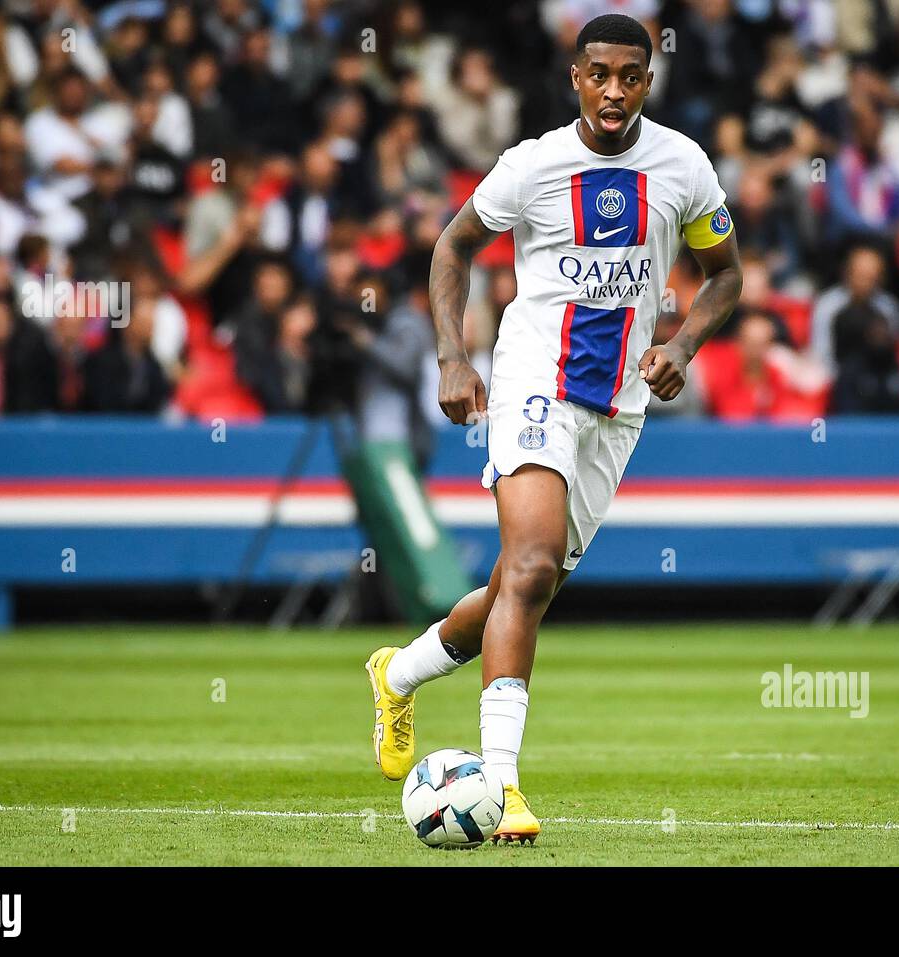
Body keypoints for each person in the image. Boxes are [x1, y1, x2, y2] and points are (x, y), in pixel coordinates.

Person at [364, 15, 743, 843]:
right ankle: (501, 791)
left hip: (618, 406)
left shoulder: (684, 166)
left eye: (630, 77)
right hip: (534, 378)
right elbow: (452, 247)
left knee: (515, 589)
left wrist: (682, 343)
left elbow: (726, 274)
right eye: (599, 74)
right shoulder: (532, 165)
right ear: (575, 77)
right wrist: (452, 357)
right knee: (531, 568)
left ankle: (397, 672)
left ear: (649, 81)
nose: (614, 91)